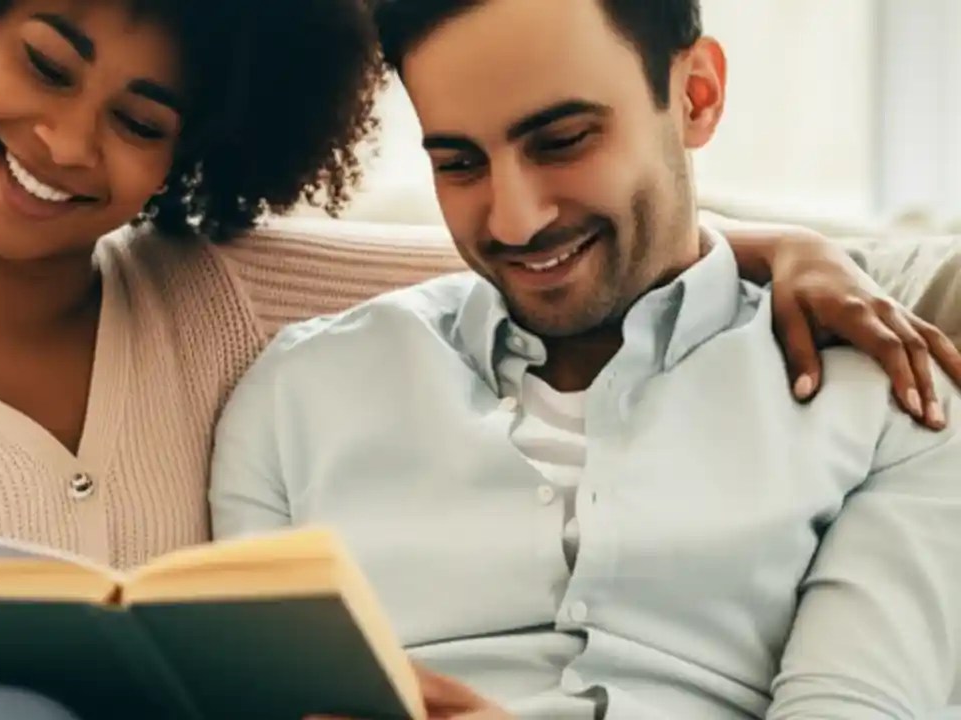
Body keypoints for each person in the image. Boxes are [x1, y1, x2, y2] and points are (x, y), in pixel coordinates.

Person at [0, 0, 958, 717]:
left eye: (138, 119)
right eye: (45, 64)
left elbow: (539, 261)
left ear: (191, 155)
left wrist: (781, 248)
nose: (69, 143)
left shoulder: (221, 294)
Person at [210, 0, 961, 718]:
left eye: (562, 141)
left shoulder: (895, 409)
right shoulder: (294, 396)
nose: (515, 220)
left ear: (696, 96)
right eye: (460, 163)